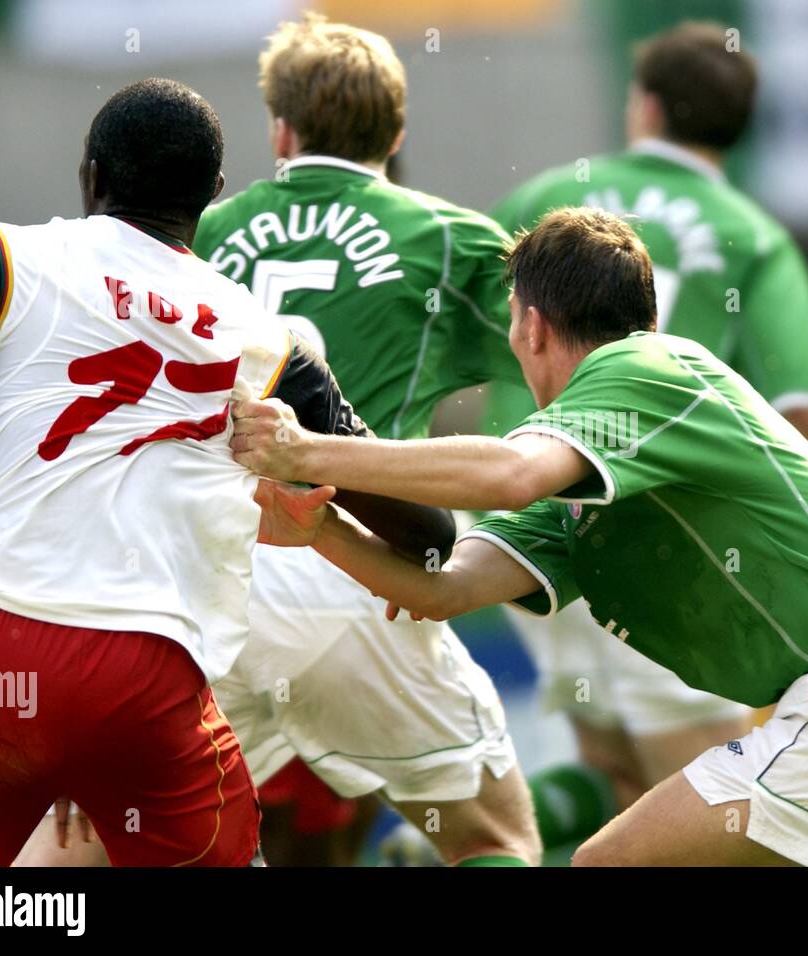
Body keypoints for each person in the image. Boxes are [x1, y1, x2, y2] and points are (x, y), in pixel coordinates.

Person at [231, 208, 808, 866]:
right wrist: (319, 530)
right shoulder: (585, 476)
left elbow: (510, 475)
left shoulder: (643, 368)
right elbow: (443, 589)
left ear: (529, 328)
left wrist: (306, 449)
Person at [0, 77, 450, 867]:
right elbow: (427, 527)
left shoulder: (5, 258)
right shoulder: (265, 340)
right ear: (213, 194)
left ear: (91, 175)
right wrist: (308, 467)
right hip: (138, 667)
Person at [480, 20, 808, 851]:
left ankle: (451, 844)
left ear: (646, 107)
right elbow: (804, 404)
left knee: (608, 767)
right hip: (660, 541)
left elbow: (467, 341)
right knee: (690, 807)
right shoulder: (753, 235)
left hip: (522, 524)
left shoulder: (543, 200)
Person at [193, 13, 539, 867]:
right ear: (398, 130)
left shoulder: (200, 234)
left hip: (208, 587)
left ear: (280, 128)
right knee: (493, 837)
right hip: (352, 569)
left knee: (191, 843)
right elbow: (560, 361)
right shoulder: (449, 238)